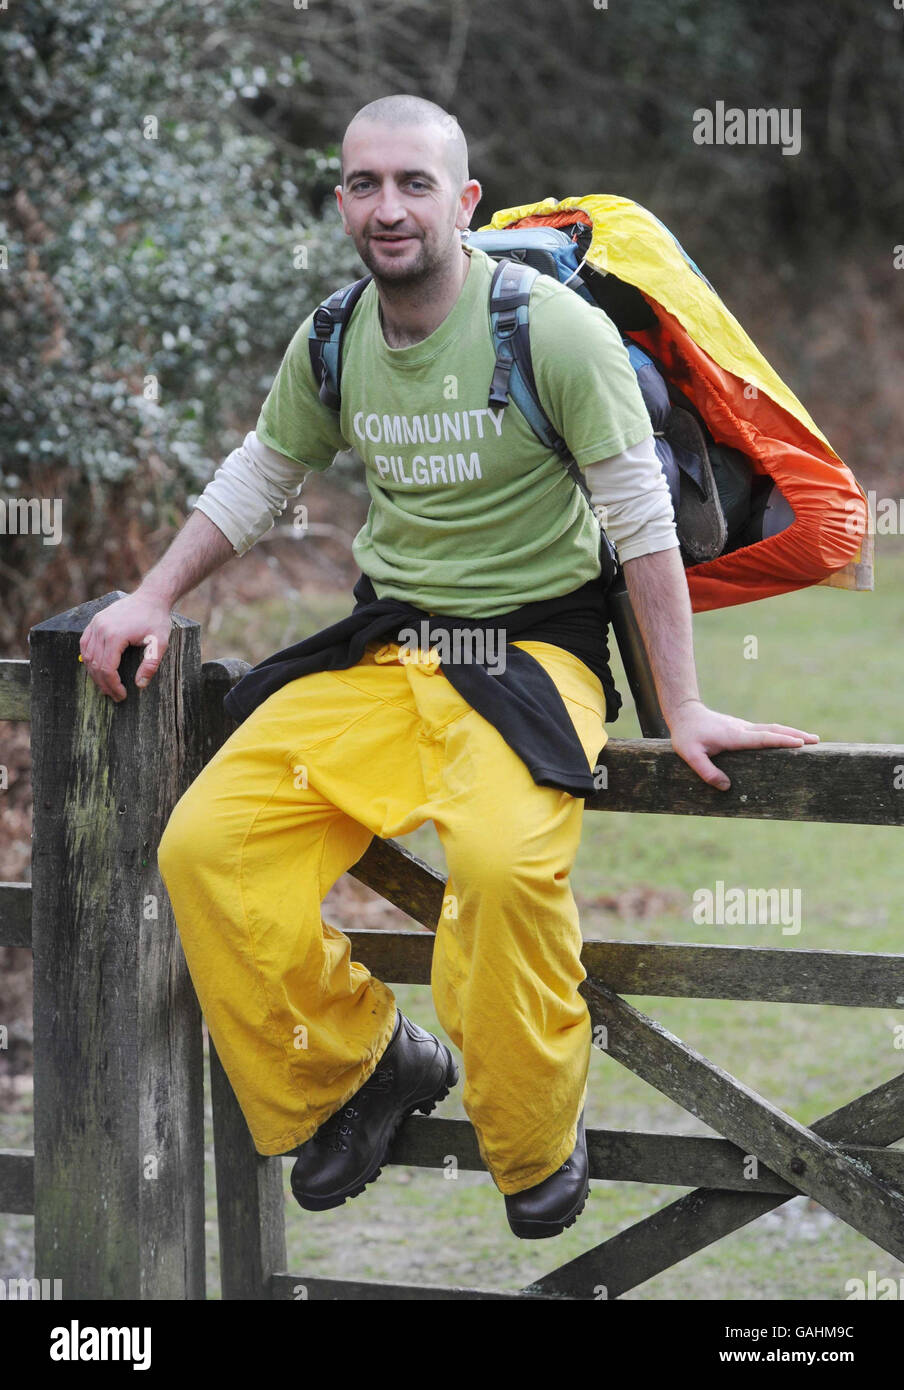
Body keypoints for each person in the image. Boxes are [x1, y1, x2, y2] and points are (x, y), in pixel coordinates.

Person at [80, 94, 819, 1240]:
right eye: (365, 184)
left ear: (462, 201)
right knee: (207, 845)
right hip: (389, 647)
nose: (388, 207)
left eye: (413, 184)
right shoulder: (332, 336)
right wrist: (151, 595)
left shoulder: (547, 332)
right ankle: (360, 1064)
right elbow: (256, 478)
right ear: (341, 202)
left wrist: (683, 704)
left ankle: (527, 1132)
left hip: (533, 653)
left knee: (501, 867)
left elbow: (640, 527)